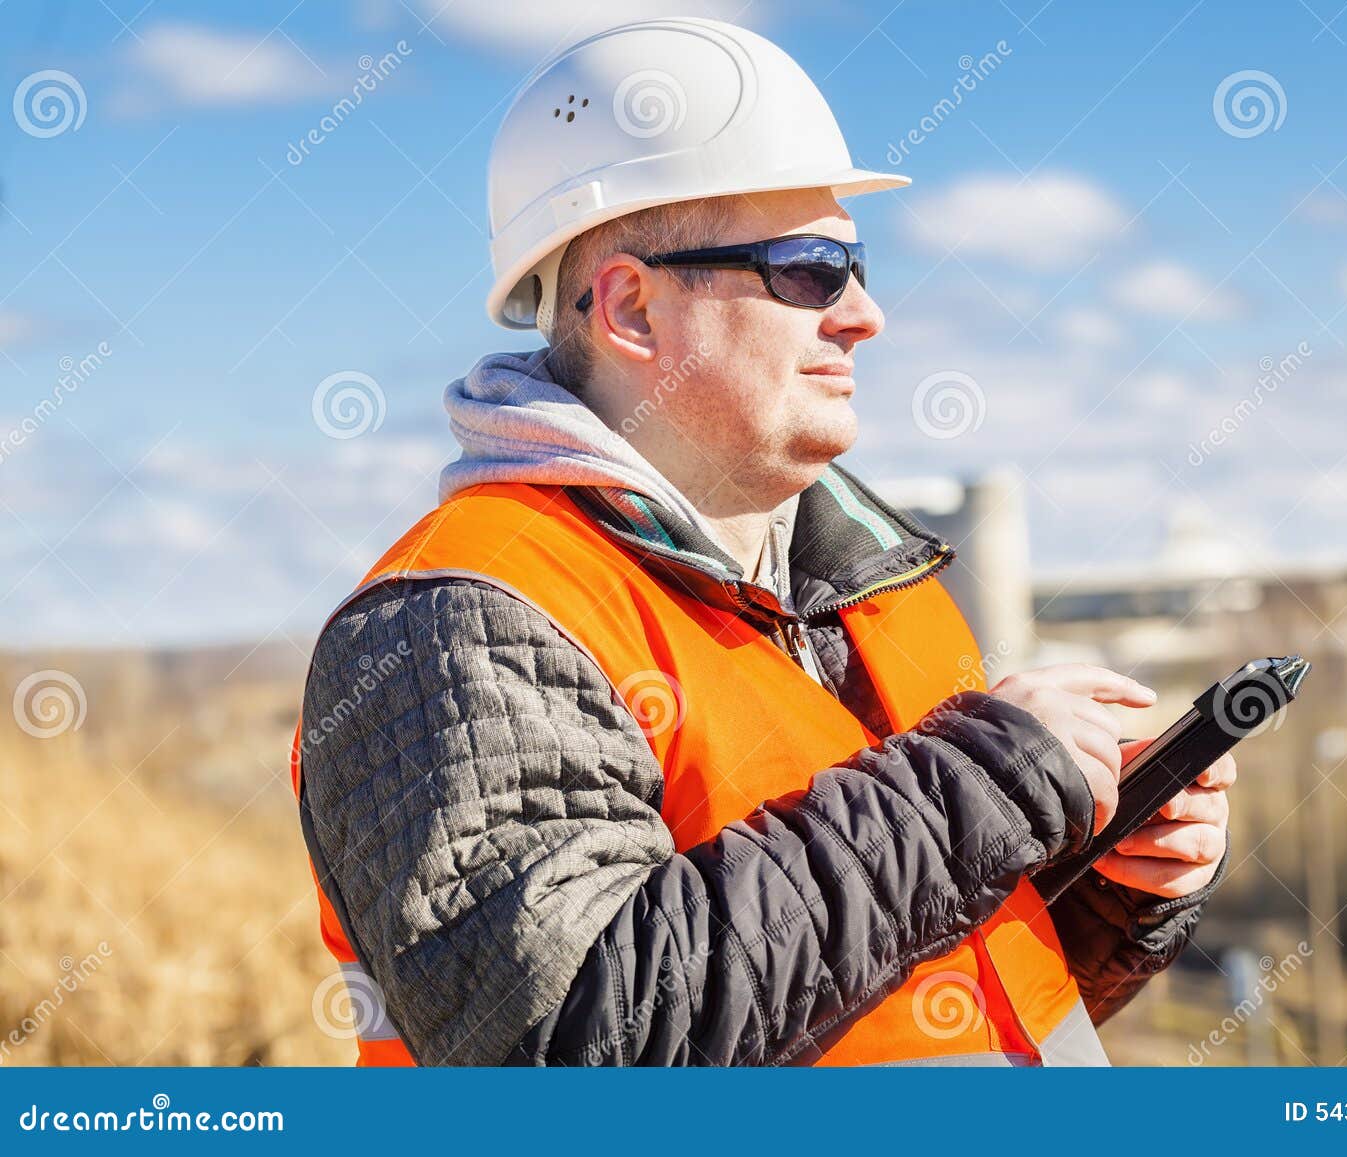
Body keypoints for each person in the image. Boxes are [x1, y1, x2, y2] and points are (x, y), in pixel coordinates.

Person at [292, 16, 1233, 1067]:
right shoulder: (455, 623)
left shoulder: (882, 589)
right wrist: (982, 788)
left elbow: (917, 996)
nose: (864, 314)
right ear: (632, 308)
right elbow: (575, 1043)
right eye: (810, 269)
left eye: (858, 264)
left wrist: (1108, 885)